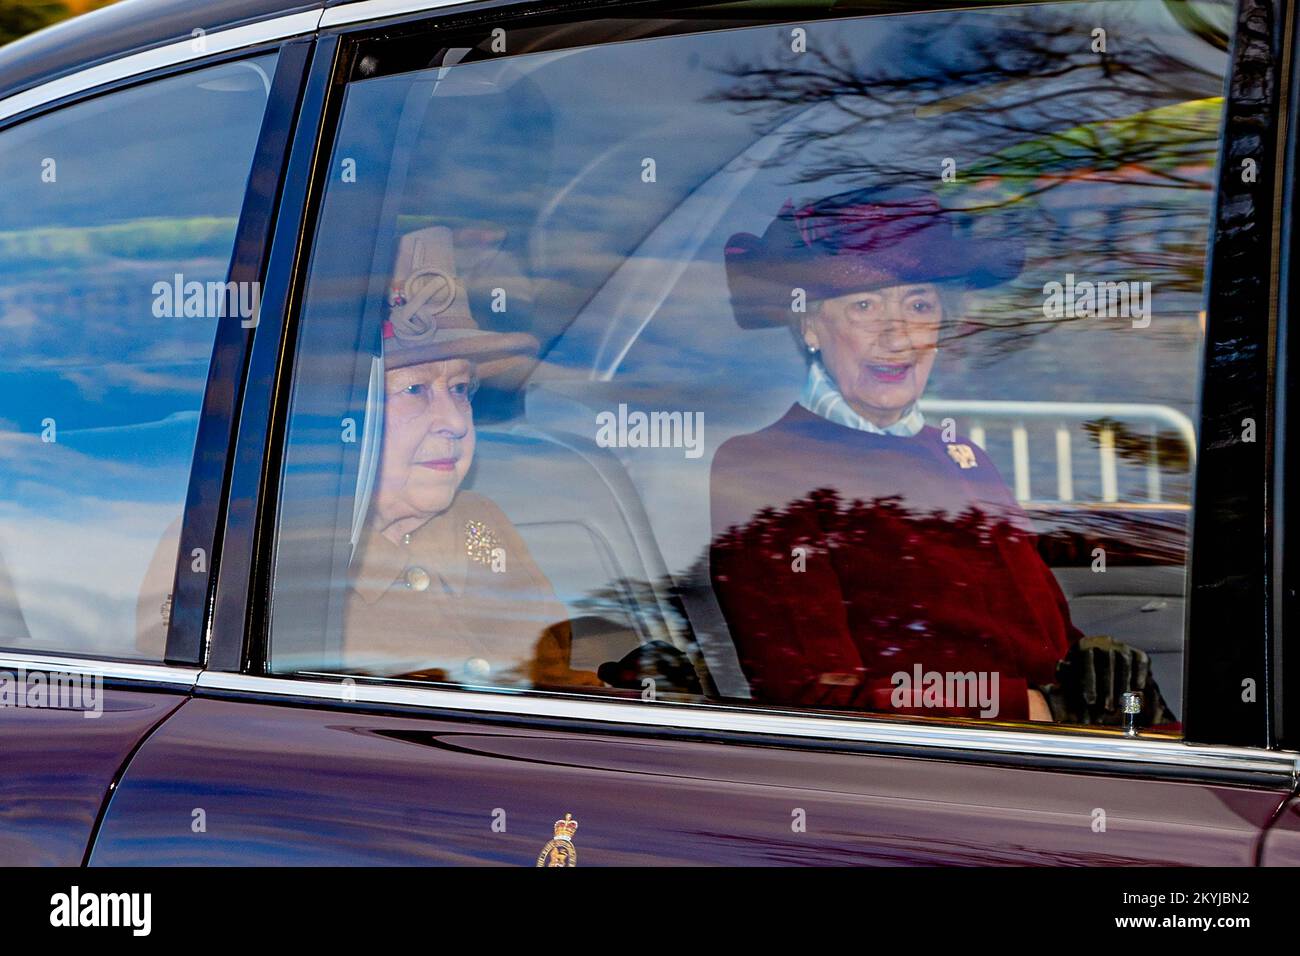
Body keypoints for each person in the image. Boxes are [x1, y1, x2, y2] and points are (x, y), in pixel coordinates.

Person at [710, 186, 1173, 726]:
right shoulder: (766, 465)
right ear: (810, 325)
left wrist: (1108, 686)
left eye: (919, 304)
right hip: (941, 779)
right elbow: (812, 696)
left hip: (1053, 755)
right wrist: (1029, 707)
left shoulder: (961, 455)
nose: (898, 334)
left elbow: (1039, 637)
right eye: (864, 305)